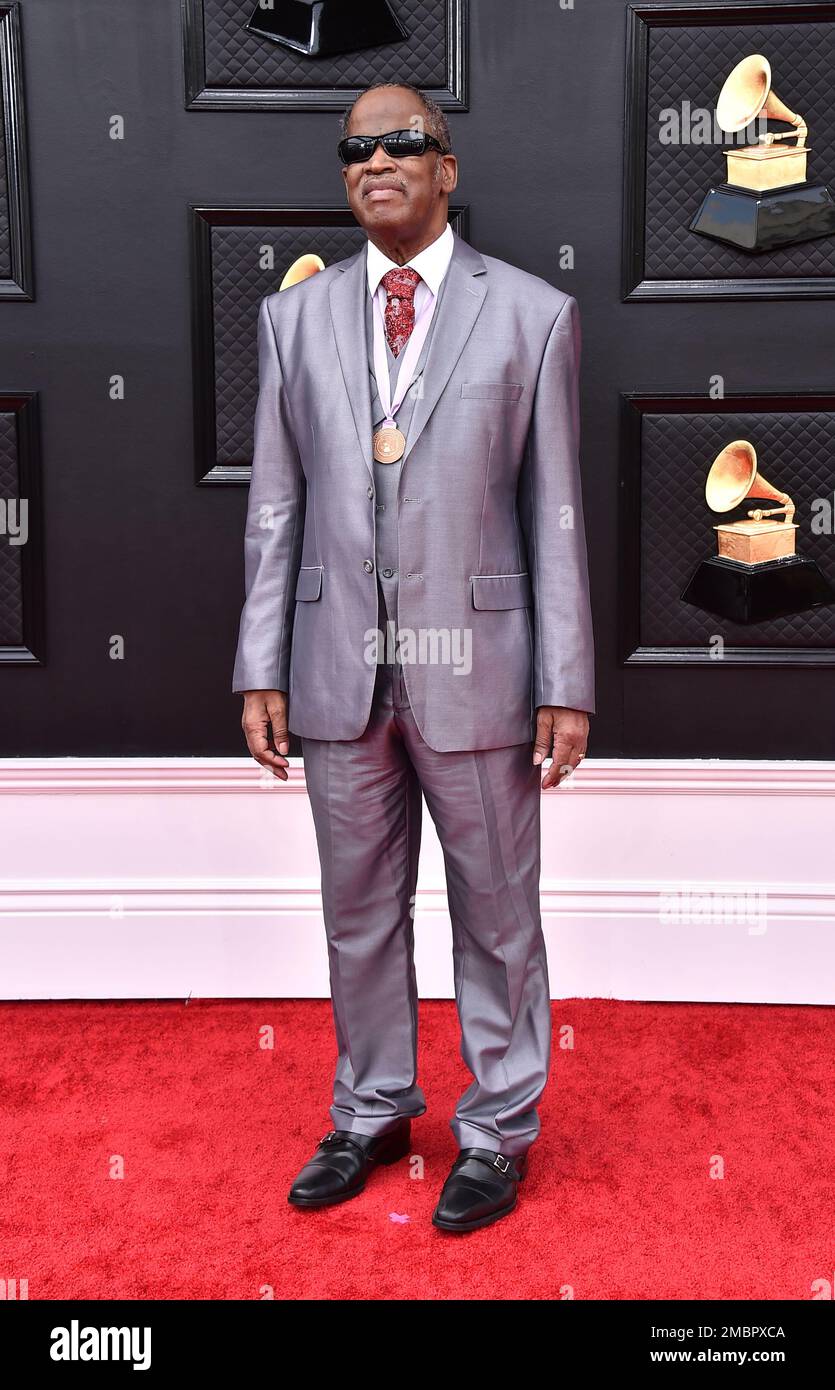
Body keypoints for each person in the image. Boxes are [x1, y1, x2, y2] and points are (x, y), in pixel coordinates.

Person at [232, 80, 595, 1233]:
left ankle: (495, 1130)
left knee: (497, 913)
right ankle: (373, 1105)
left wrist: (565, 682)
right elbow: (274, 513)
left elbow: (557, 515)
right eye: (356, 147)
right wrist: (262, 663)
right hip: (338, 668)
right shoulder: (294, 320)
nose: (375, 158)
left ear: (447, 169)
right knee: (356, 909)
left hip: (480, 670)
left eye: (403, 142)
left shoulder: (533, 314)